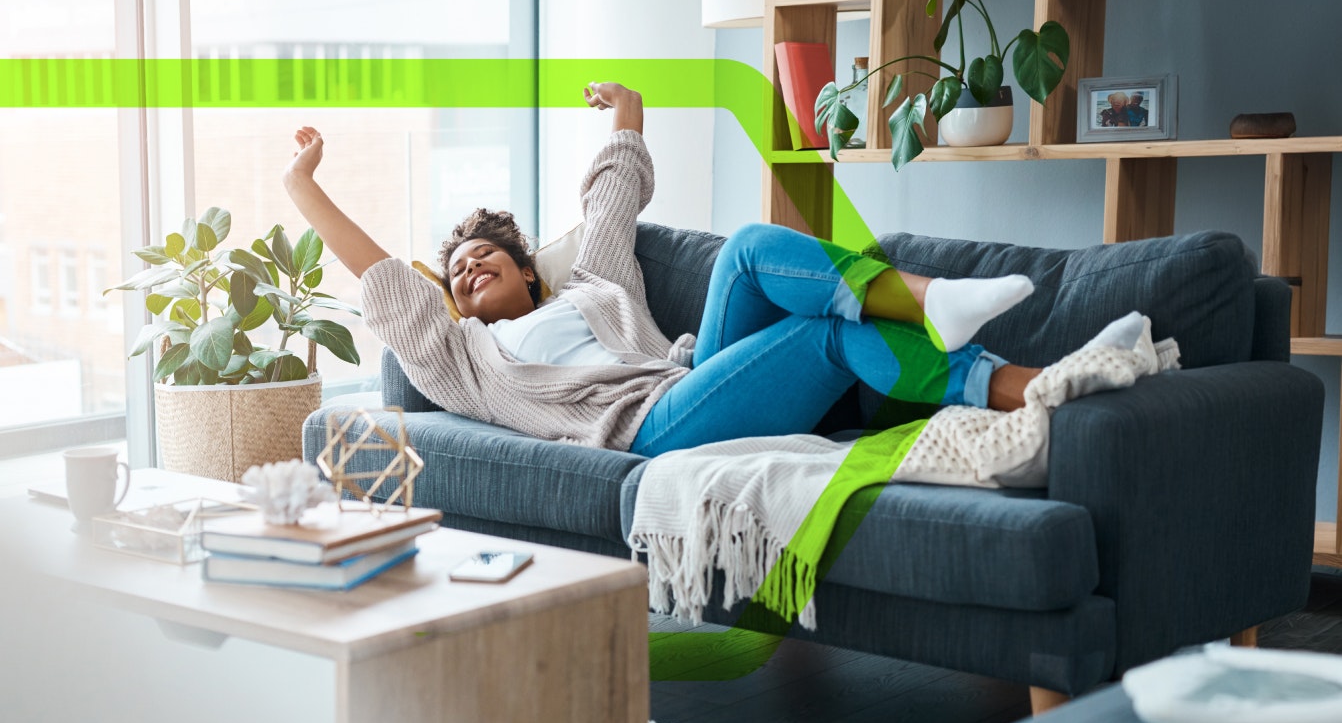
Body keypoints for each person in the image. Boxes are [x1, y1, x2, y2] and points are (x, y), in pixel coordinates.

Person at [282, 82, 1058, 459]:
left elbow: (612, 198)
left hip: (691, 380)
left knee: (752, 244)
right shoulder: (464, 360)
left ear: (529, 273)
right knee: (826, 336)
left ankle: (949, 308)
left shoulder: (592, 285)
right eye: (455, 274)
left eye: (485, 255)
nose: (469, 267)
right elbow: (383, 278)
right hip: (648, 428)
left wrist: (629, 109)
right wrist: (301, 187)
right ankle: (1024, 385)